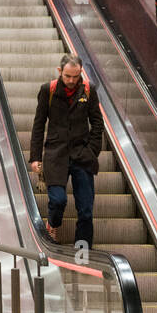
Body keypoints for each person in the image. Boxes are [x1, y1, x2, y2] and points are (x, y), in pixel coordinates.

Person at [29, 53, 103, 247]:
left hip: (82, 155)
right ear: (60, 71)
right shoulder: (48, 90)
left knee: (86, 209)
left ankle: (83, 251)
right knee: (58, 200)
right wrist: (35, 157)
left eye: (75, 76)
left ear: (80, 73)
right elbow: (38, 125)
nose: (71, 81)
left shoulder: (88, 90)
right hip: (56, 154)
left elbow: (97, 123)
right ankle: (53, 224)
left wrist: (92, 151)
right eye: (68, 76)